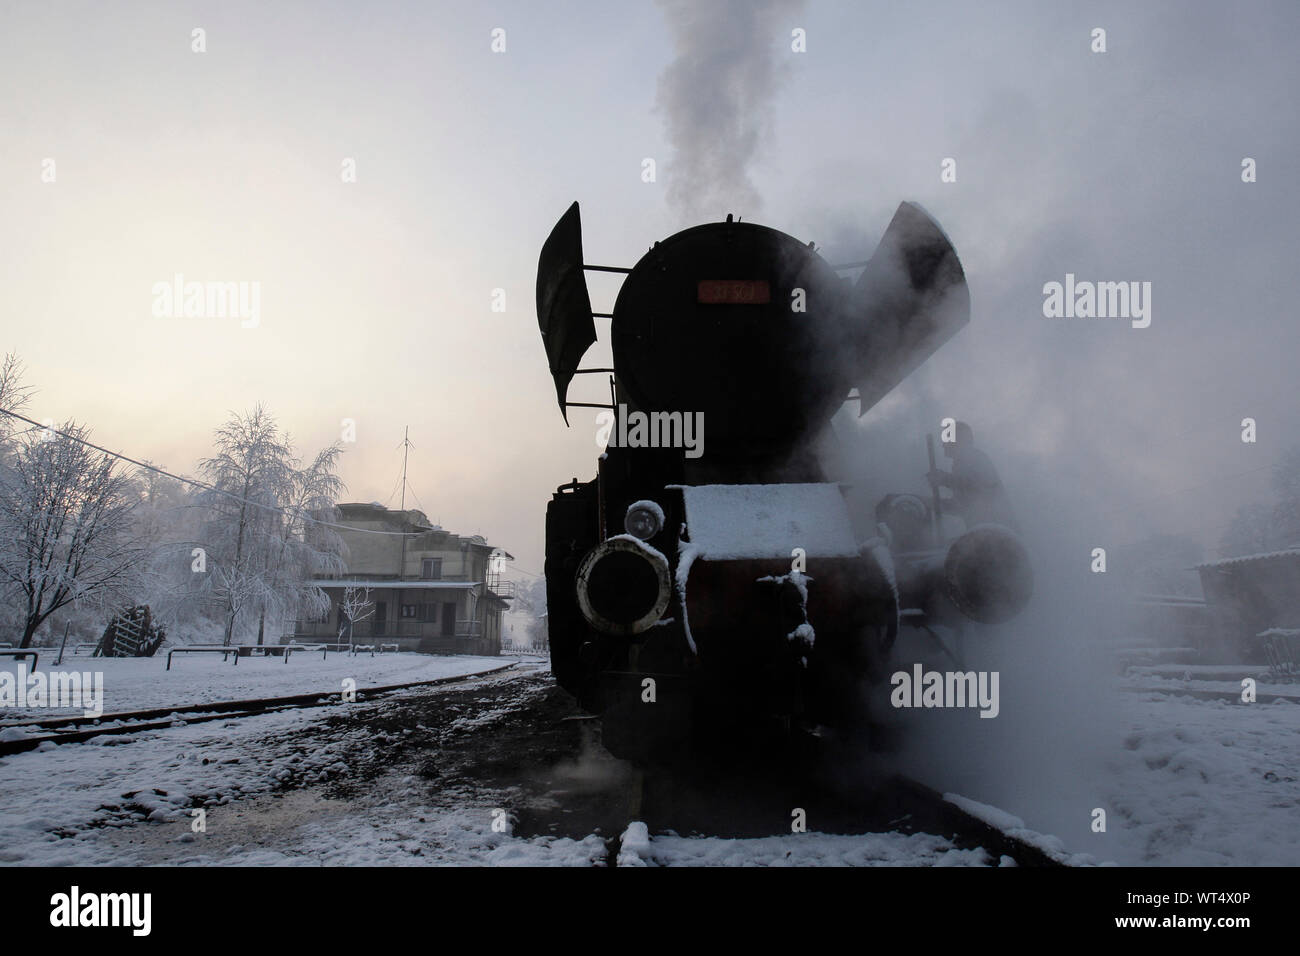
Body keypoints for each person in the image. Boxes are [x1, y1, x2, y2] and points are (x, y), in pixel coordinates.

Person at [928, 421, 1018, 531]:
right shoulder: (961, 463)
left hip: (998, 533)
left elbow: (977, 489)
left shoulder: (975, 459)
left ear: (958, 441)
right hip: (988, 532)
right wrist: (931, 503)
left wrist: (944, 479)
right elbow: (963, 506)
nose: (943, 445)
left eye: (947, 440)